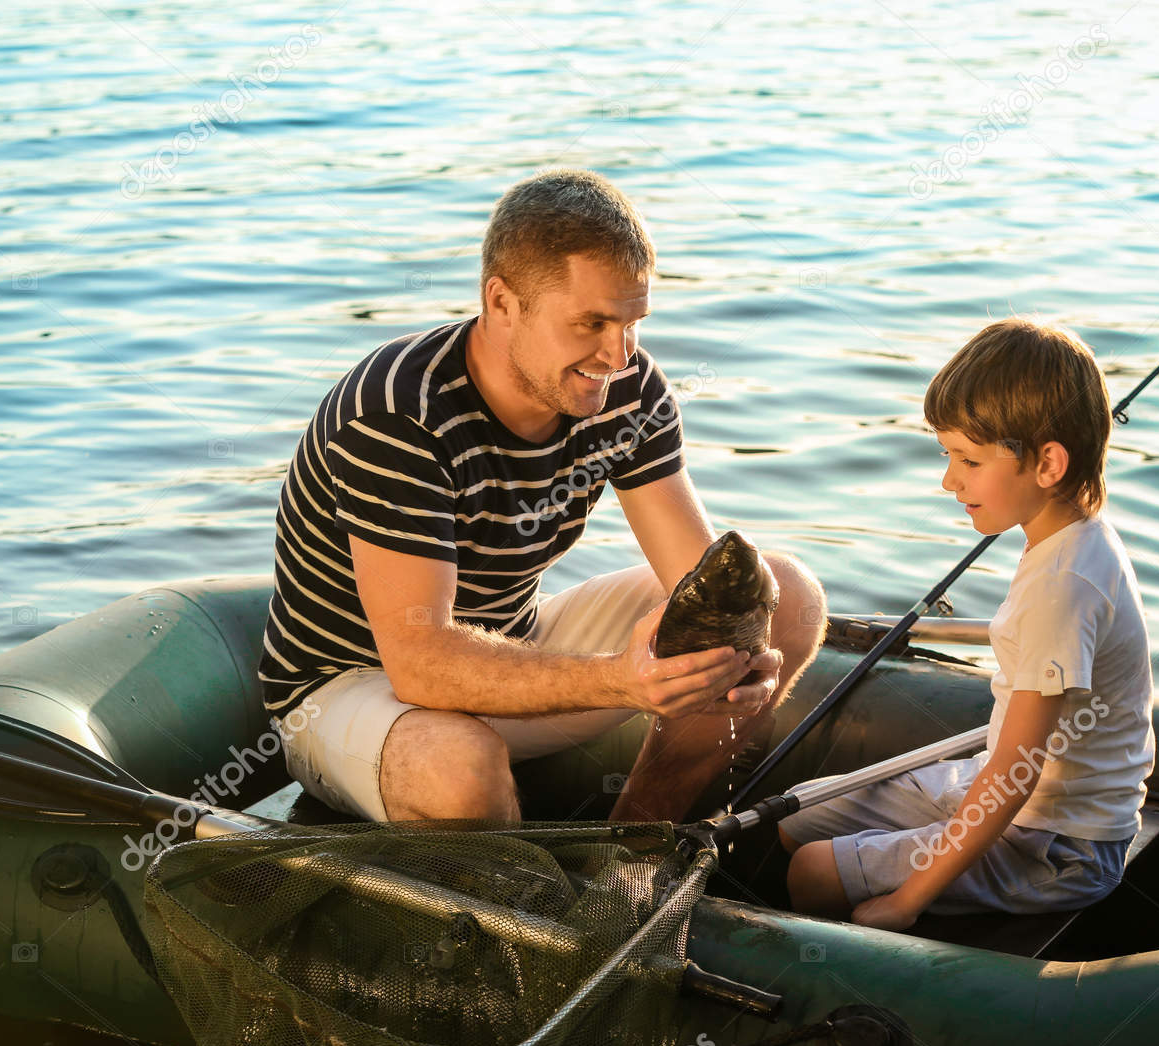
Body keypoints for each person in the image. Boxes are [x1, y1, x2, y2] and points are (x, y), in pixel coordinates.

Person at [258, 168, 826, 824]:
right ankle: (527, 914)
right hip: (356, 686)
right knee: (459, 771)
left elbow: (694, 581)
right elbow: (418, 665)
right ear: (501, 303)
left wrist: (737, 655)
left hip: (510, 643)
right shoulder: (398, 413)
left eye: (631, 322)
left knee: (787, 593)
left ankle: (632, 850)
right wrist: (619, 678)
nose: (618, 355)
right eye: (591, 323)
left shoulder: (626, 389)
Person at [781, 317, 1155, 931]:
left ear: (1048, 463)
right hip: (1015, 797)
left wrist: (906, 900)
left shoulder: (1062, 587)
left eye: (968, 460)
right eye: (946, 454)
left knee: (812, 872)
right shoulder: (1075, 537)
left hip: (1057, 843)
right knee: (796, 823)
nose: (949, 479)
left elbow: (1014, 774)